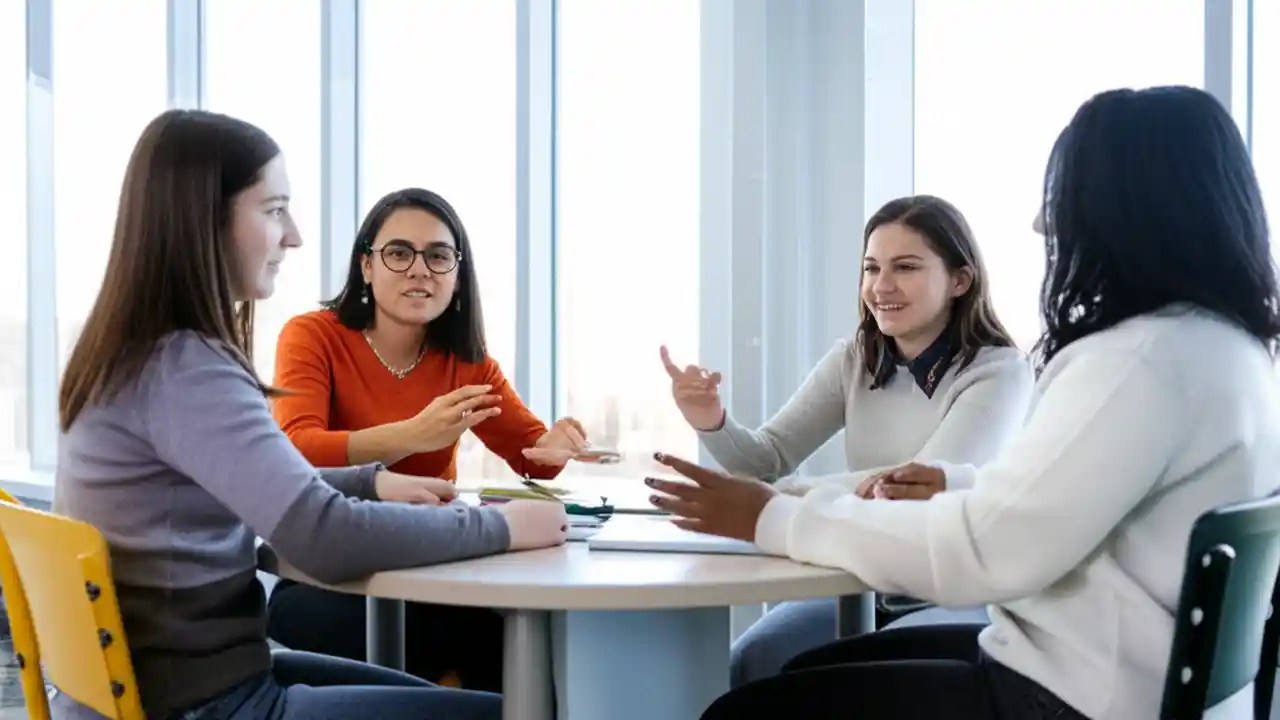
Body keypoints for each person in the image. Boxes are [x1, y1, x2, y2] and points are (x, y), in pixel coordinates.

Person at [648, 85, 1280, 720]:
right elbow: (1072, 499)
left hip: (1077, 696)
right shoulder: (1223, 349)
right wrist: (958, 482)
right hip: (1109, 674)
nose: (1043, 225)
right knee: (797, 668)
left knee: (744, 711)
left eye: (1063, 199)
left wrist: (774, 514)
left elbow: (985, 551)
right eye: (872, 267)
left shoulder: (1133, 361)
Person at [52, 109, 568, 720]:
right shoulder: (188, 367)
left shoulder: (139, 353)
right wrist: (501, 528)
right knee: (526, 712)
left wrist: (370, 482)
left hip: (191, 681)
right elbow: (319, 535)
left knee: (499, 699)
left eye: (438, 257)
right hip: (204, 703)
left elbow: (260, 479)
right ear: (202, 218)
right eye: (275, 210)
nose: (293, 236)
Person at [660, 194, 1033, 686]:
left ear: (960, 280)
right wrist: (711, 421)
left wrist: (771, 501)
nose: (881, 286)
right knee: (755, 661)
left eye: (906, 267)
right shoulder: (854, 358)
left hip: (952, 589)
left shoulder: (1000, 371)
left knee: (867, 680)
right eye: (871, 268)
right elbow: (764, 462)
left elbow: (911, 488)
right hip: (861, 579)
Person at [264, 187, 595, 691]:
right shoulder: (313, 335)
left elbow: (533, 458)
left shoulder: (467, 363)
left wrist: (554, 445)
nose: (420, 270)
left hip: (430, 567)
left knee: (514, 642)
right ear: (366, 266)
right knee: (458, 641)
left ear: (457, 274)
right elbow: (297, 450)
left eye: (438, 256)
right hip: (327, 573)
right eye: (399, 253)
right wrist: (413, 435)